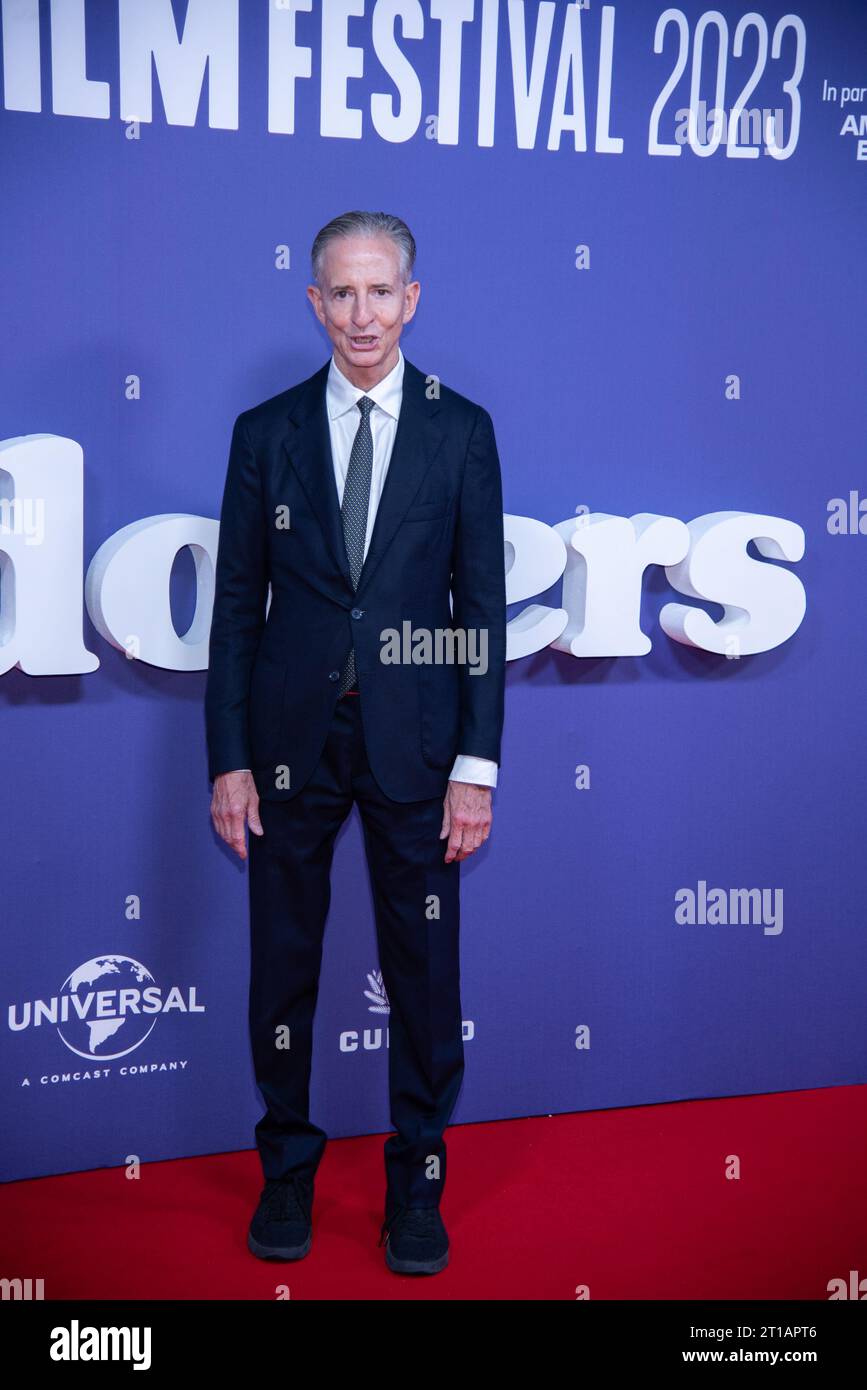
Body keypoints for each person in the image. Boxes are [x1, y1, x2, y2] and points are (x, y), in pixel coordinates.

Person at [205, 210, 506, 1276]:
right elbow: (237, 610)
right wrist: (229, 757)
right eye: (342, 292)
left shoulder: (460, 430)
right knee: (281, 968)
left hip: (417, 749)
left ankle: (416, 1185)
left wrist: (477, 765)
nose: (362, 313)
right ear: (314, 303)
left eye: (381, 292)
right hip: (289, 746)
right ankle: (286, 1170)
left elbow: (481, 609)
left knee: (424, 976)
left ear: (411, 299)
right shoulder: (266, 432)